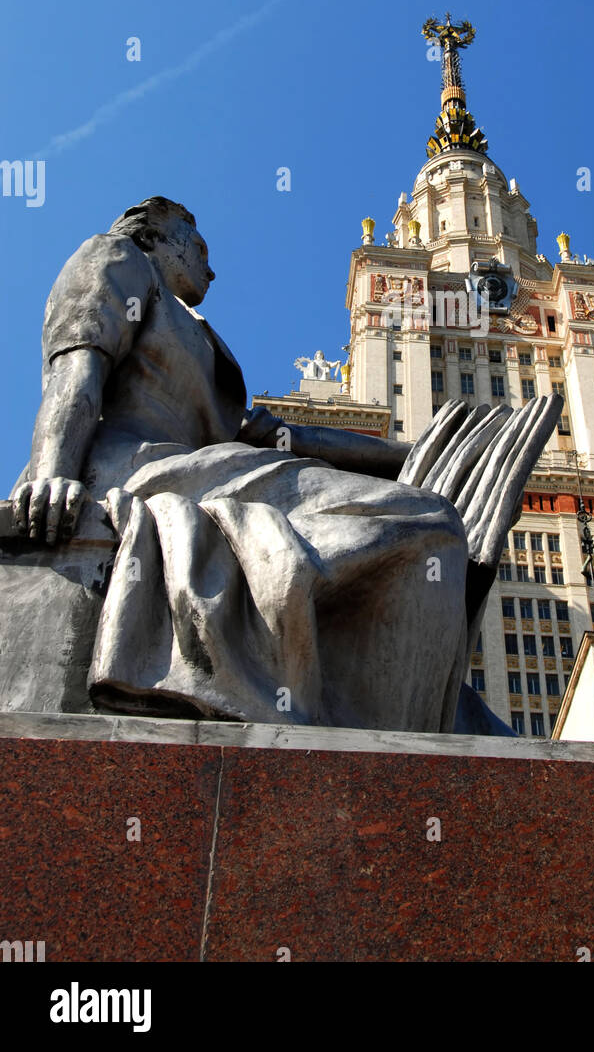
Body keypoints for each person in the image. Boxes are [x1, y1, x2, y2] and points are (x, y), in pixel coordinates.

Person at [11, 197, 559, 733]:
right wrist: (52, 472)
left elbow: (278, 436)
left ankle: (403, 737)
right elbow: (76, 366)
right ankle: (390, 758)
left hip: (213, 468)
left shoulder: (196, 334)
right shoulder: (117, 258)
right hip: (138, 469)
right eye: (198, 245)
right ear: (155, 233)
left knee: (432, 521)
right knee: (430, 525)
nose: (213, 266)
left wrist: (414, 453)